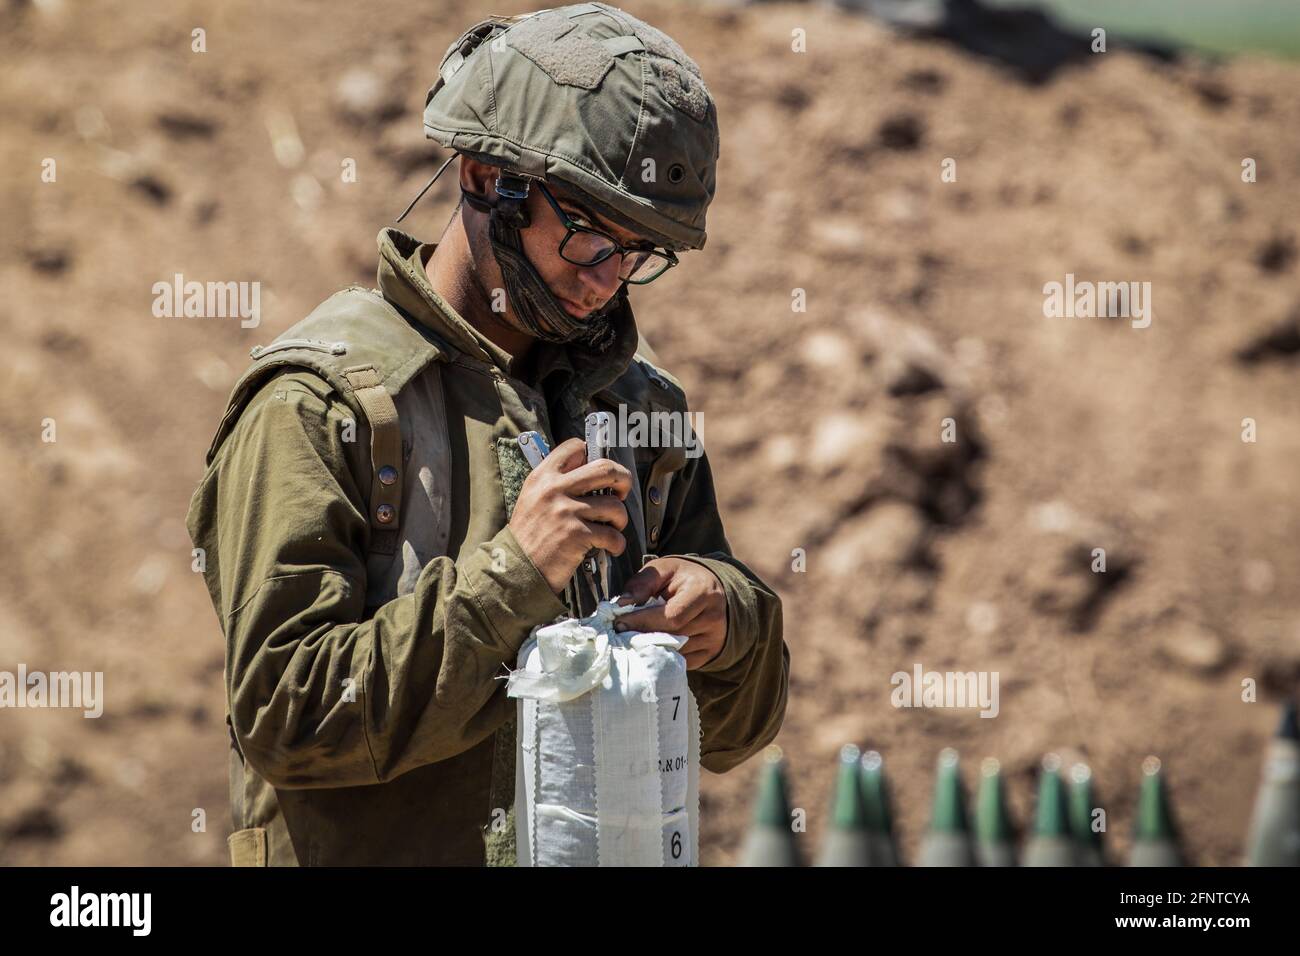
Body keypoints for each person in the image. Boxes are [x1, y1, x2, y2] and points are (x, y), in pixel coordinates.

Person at [185, 2, 788, 866]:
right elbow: (290, 716)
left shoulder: (639, 408)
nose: (607, 281)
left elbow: (737, 732)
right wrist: (513, 578)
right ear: (479, 177)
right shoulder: (320, 406)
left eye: (638, 251)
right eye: (585, 236)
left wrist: (726, 623)